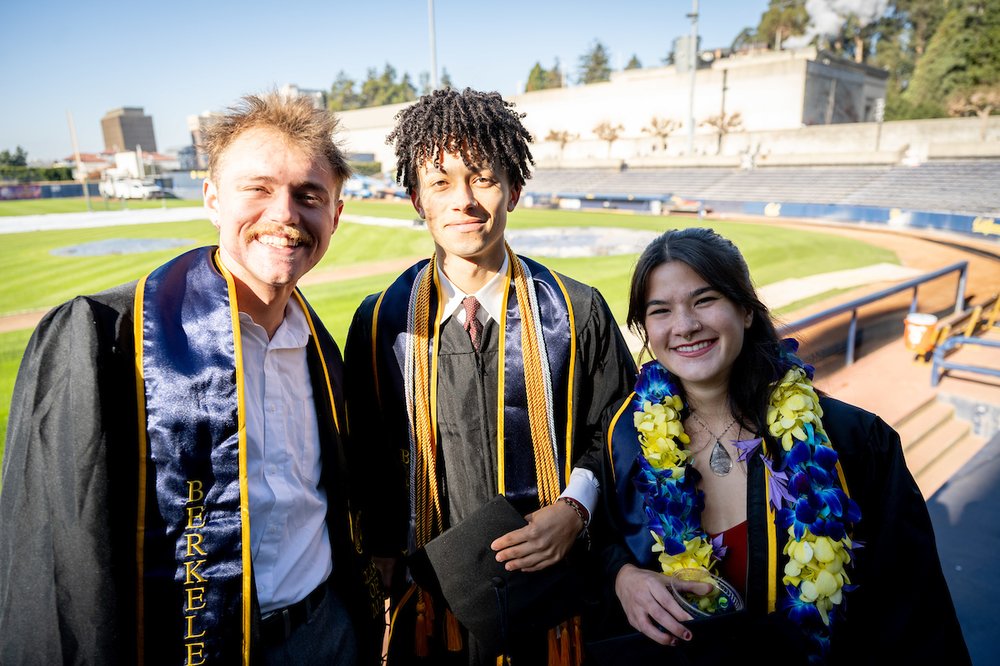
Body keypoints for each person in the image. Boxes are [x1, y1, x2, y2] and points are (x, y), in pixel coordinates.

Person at [0, 93, 383, 665]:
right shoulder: (106, 340)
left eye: (308, 195)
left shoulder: (324, 354)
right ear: (211, 198)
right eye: (257, 188)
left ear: (334, 215)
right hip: (186, 645)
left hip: (327, 633)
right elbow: (55, 565)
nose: (284, 214)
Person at [343, 88, 635, 665]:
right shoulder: (382, 322)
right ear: (416, 200)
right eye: (441, 183)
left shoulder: (576, 312)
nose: (465, 202)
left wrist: (575, 509)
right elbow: (367, 456)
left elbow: (618, 427)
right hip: (432, 603)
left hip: (553, 594)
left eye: (482, 178)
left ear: (514, 190)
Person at [595, 227, 970, 664]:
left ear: (746, 311)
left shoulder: (851, 442)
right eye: (660, 311)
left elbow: (913, 613)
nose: (684, 326)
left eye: (705, 300)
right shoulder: (625, 435)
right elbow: (601, 541)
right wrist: (622, 576)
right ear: (645, 327)